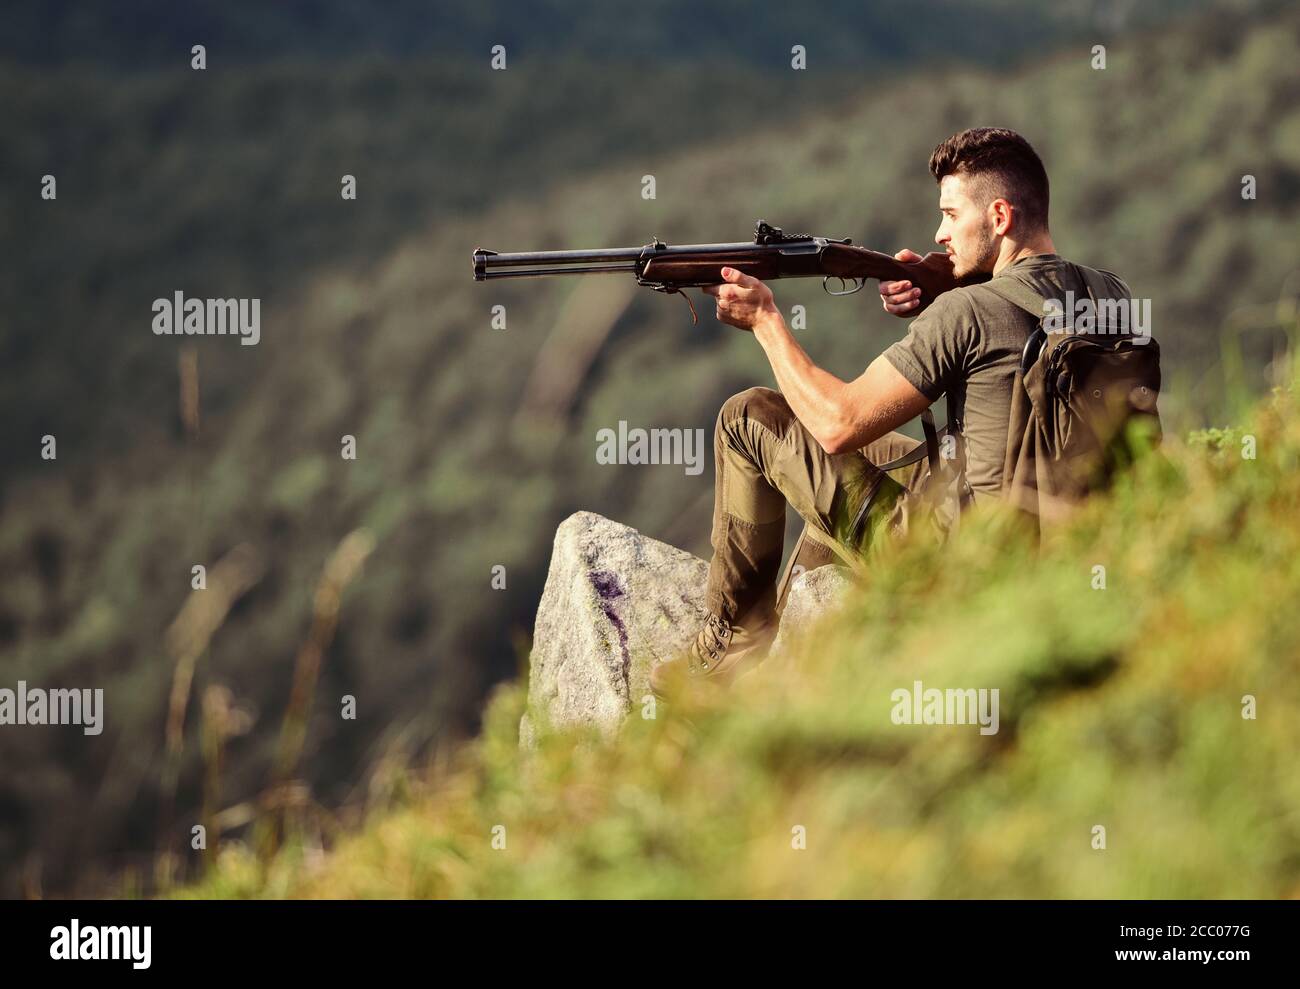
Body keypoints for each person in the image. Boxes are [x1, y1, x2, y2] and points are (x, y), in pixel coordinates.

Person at [650, 126, 1132, 696]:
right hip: (1068, 541)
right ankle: (819, 624)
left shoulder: (969, 313)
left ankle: (730, 651)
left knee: (749, 417)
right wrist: (943, 294)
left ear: (999, 217)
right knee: (865, 457)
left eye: (951, 216)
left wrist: (765, 323)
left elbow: (837, 424)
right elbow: (1015, 357)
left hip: (963, 565)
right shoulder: (1112, 296)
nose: (939, 232)